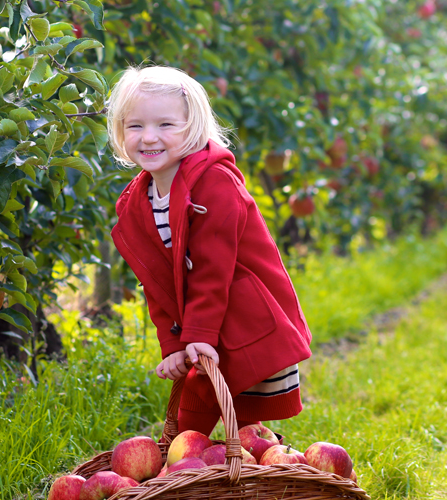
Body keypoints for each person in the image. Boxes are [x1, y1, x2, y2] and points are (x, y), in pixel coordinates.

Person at [107, 66, 313, 436]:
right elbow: (158, 284)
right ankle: (214, 462)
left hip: (245, 315)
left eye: (166, 125)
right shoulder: (137, 203)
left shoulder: (215, 183)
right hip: (202, 322)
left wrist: (197, 335)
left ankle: (246, 461)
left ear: (193, 126)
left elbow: (211, 268)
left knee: (239, 420)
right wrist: (173, 343)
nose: (149, 137)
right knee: (196, 427)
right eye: (135, 125)